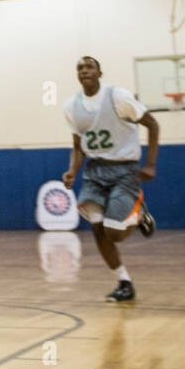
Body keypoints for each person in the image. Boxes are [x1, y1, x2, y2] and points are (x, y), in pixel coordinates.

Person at [62, 56, 159, 301]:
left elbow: (153, 124)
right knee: (97, 229)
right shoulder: (71, 106)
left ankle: (139, 213)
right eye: (80, 68)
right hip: (95, 172)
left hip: (124, 170)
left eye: (89, 66)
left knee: (113, 232)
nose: (84, 70)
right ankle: (124, 282)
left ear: (99, 72)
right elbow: (77, 147)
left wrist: (150, 164)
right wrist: (73, 170)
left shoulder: (119, 97)